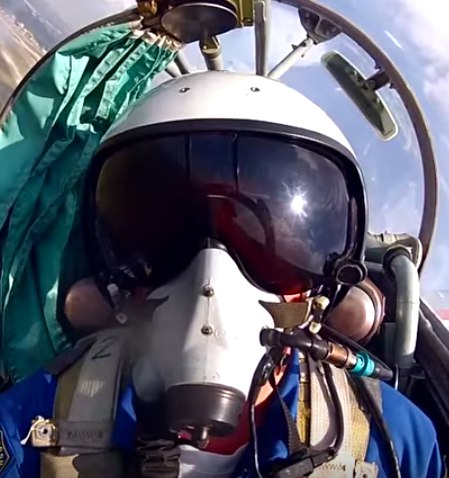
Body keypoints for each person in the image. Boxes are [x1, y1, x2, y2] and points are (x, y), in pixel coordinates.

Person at [0, 71, 443, 478]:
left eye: (271, 246)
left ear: (324, 289)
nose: (210, 277)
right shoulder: (33, 418)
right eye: (162, 235)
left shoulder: (399, 443)